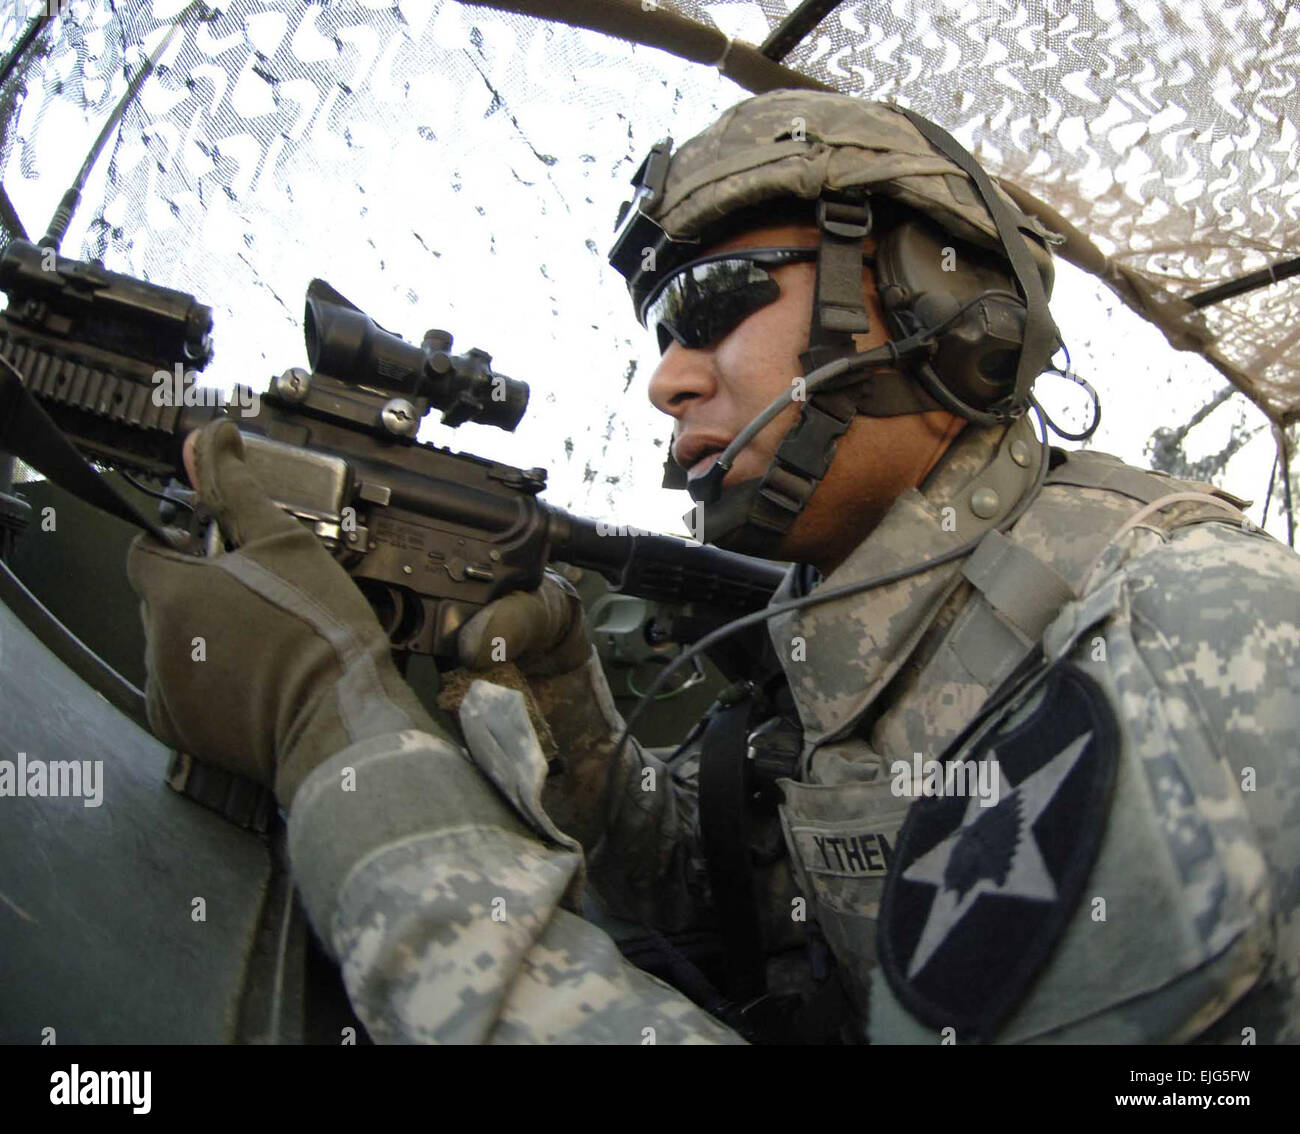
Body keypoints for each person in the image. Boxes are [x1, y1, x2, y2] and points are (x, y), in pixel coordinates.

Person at [127, 90, 1300, 1044]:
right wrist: (568, 718)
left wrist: (341, 751)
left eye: (711, 304)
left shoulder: (1181, 624)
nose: (666, 379)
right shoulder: (832, 617)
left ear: (940, 307)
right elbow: (730, 898)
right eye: (659, 331)